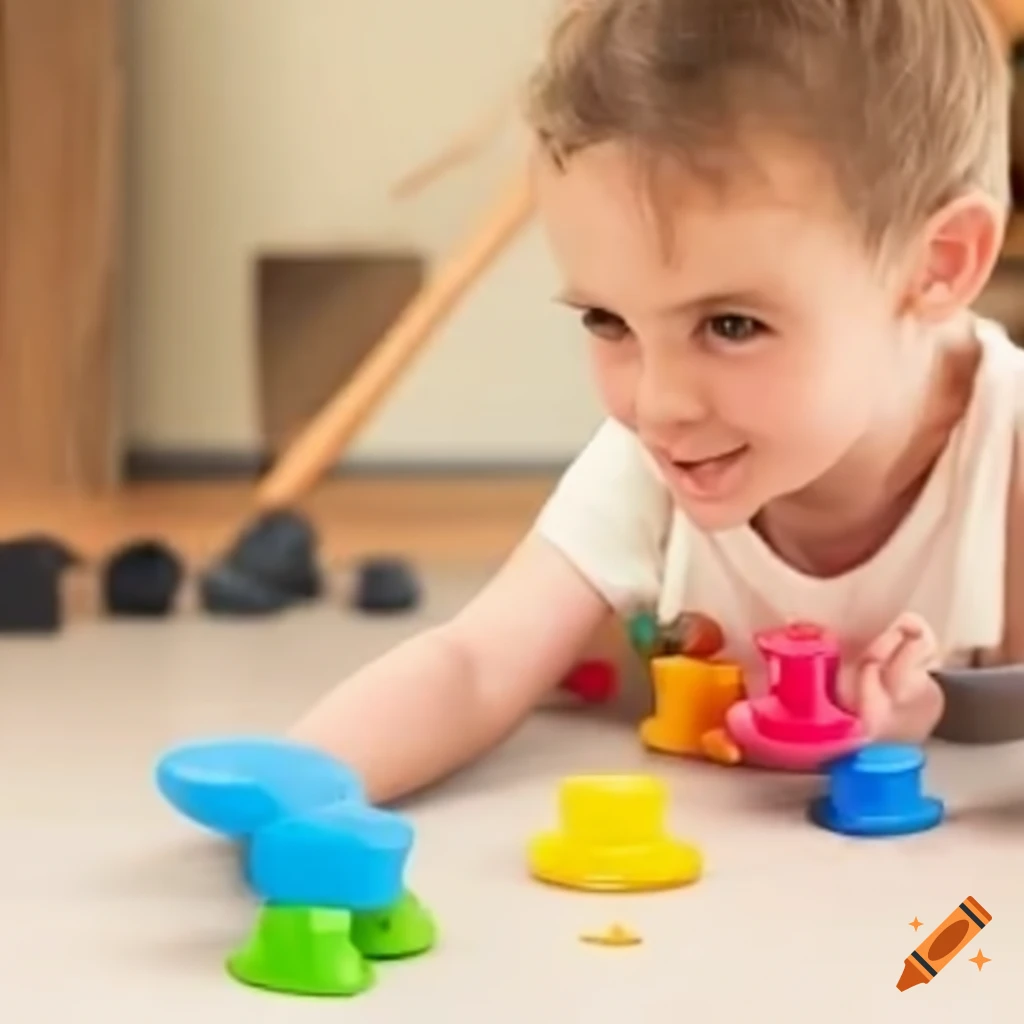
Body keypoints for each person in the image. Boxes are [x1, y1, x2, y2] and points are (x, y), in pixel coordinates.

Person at [291, 0, 1024, 803]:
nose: (657, 402)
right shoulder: (648, 460)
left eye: (731, 324)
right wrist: (295, 784)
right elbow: (474, 665)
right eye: (608, 320)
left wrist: (935, 723)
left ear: (939, 266)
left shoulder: (1008, 447)